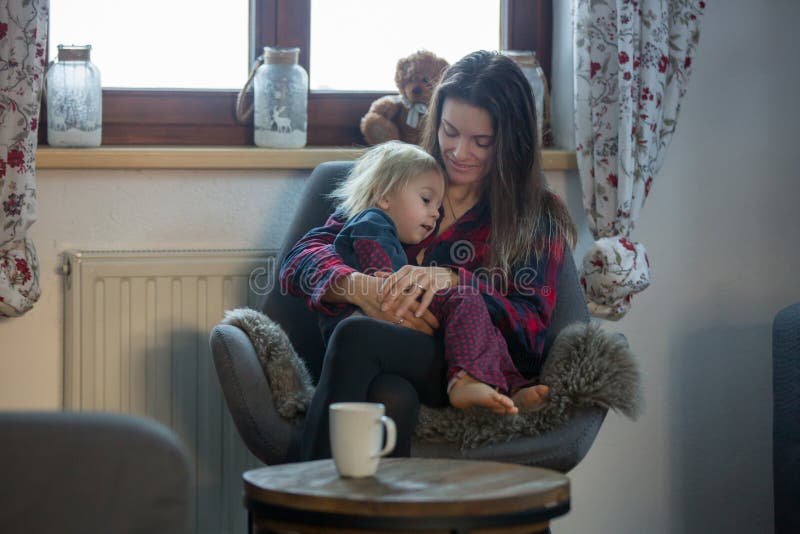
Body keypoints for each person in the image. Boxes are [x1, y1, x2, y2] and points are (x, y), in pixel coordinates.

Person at [280, 50, 577, 460]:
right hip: (390, 362)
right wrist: (358, 287)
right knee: (391, 394)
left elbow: (531, 333)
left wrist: (457, 281)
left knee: (356, 335)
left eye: (482, 141)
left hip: (471, 364)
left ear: (512, 141)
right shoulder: (404, 176)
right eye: (450, 131)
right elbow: (300, 259)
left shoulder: (537, 217)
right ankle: (367, 516)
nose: (458, 151)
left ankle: (301, 504)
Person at [318, 140, 541, 416]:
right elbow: (388, 282)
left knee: (396, 390)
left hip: (379, 334)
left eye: (437, 205)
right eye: (426, 200)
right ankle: (469, 379)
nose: (436, 213)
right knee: (465, 298)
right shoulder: (371, 222)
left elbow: (531, 321)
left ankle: (507, 387)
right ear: (385, 195)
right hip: (361, 325)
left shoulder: (533, 215)